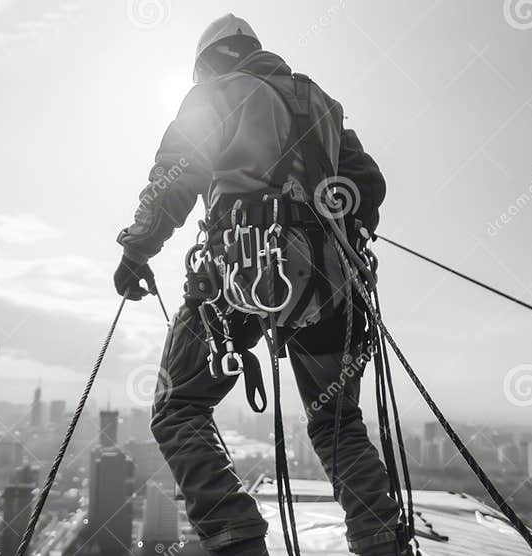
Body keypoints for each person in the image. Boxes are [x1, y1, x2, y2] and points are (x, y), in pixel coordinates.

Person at [114, 14, 403, 556]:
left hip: (238, 275)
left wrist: (137, 249)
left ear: (209, 63)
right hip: (329, 283)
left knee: (178, 410)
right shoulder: (319, 101)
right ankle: (382, 540)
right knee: (337, 423)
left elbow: (174, 176)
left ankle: (234, 537)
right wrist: (336, 227)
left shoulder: (216, 95)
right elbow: (367, 184)